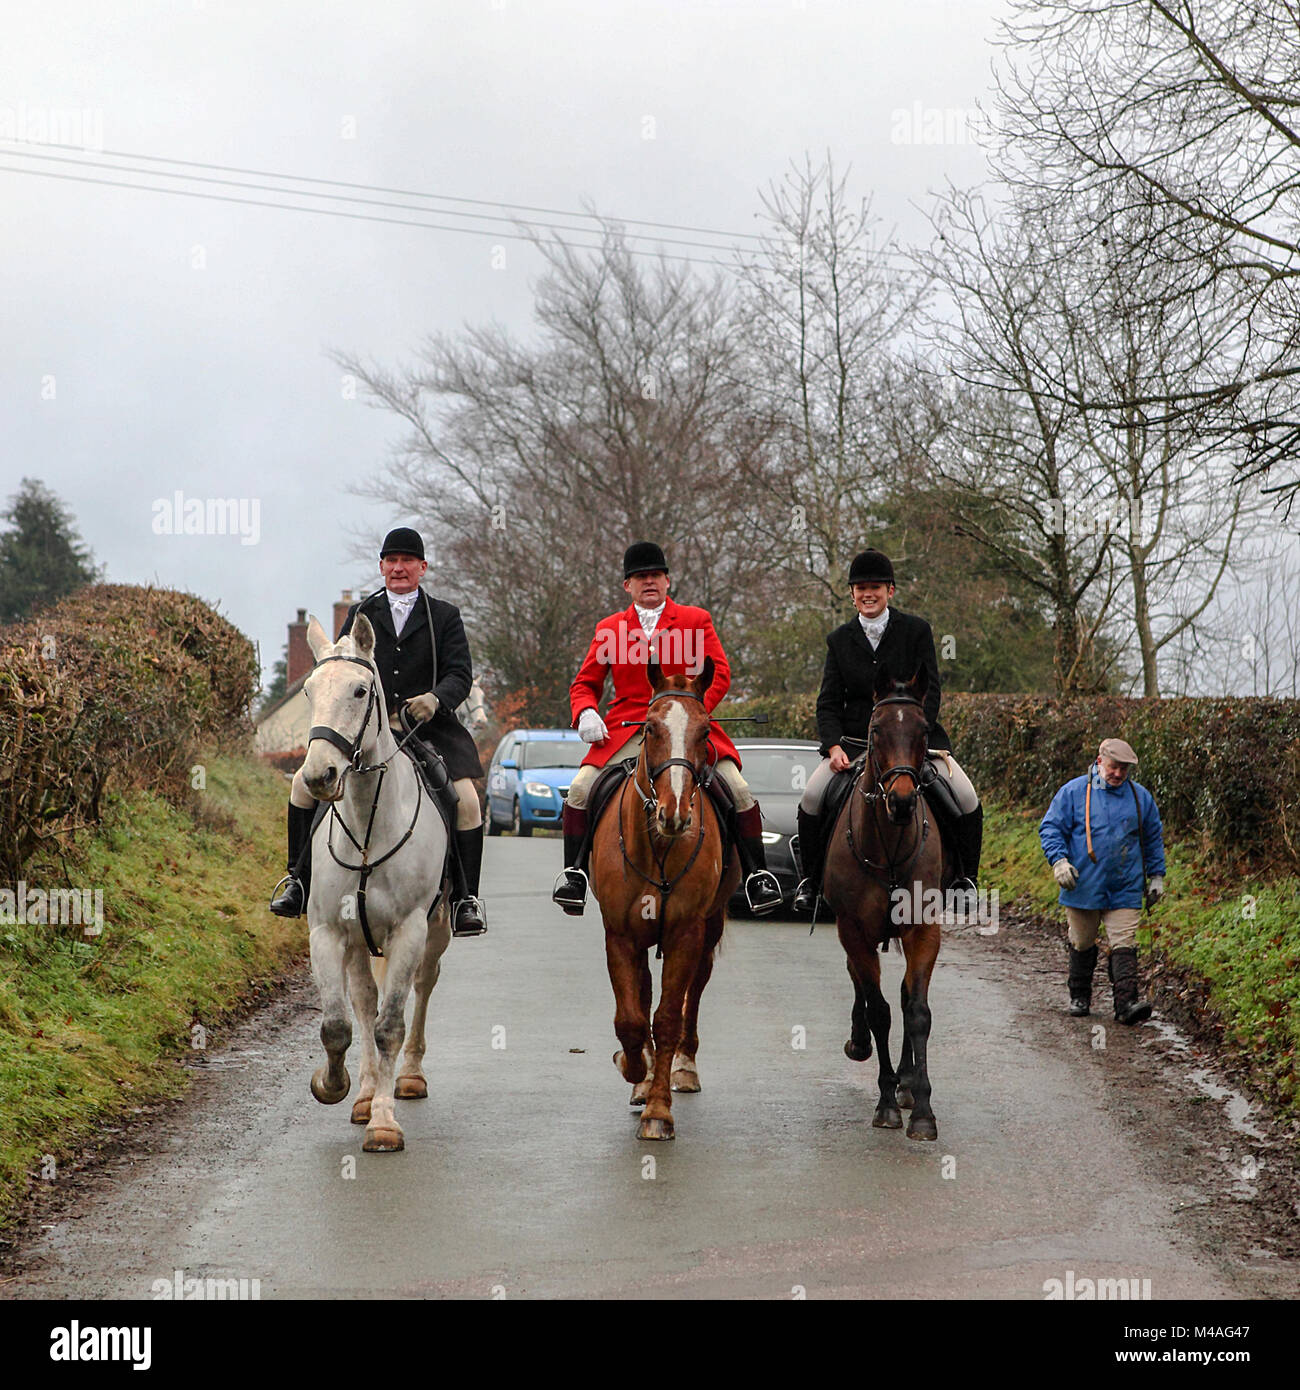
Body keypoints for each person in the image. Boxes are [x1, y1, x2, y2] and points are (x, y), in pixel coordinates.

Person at [269, 526, 488, 937]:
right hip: (367, 729)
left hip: (430, 728)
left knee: (468, 803)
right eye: (392, 560)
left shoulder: (444, 616)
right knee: (302, 784)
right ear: (382, 567)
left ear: (422, 568)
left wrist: (436, 699)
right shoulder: (361, 614)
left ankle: (465, 899)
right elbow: (342, 670)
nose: (399, 568)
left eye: (408, 561)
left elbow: (461, 674)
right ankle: (298, 881)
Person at [551, 540, 784, 916]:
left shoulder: (695, 620)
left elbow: (720, 672)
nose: (649, 582)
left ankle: (758, 876)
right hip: (628, 730)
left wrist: (690, 713)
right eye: (641, 577)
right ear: (627, 585)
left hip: (687, 728)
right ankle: (574, 873)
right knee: (580, 790)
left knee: (739, 791)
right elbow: (585, 684)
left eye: (656, 576)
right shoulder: (610, 628)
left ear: (668, 581)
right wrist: (586, 712)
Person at [792, 548, 982, 913]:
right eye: (860, 588)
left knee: (966, 797)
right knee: (812, 799)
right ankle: (811, 882)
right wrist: (832, 746)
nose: (868, 594)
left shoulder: (916, 630)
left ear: (890, 591)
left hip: (912, 743)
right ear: (851, 594)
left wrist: (918, 737)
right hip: (854, 745)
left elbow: (932, 689)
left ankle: (965, 880)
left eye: (875, 587)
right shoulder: (839, 640)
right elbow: (828, 702)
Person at [1039, 738, 1166, 1024]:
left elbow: (1152, 838)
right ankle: (1080, 996)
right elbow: (1050, 828)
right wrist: (1059, 861)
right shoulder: (1073, 792)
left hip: (1125, 885)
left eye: (1124, 769)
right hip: (1083, 885)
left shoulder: (1140, 798)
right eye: (1113, 767)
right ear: (1099, 761)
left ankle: (1126, 1005)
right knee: (1082, 942)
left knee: (1124, 943)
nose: (1118, 774)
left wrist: (1156, 875)